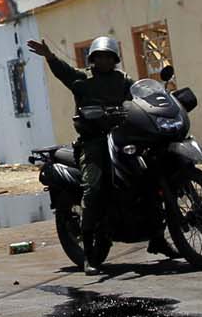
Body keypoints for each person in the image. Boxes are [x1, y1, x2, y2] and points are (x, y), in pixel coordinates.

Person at [27, 35, 133, 269]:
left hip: (122, 138)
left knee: (146, 173)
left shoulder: (123, 80)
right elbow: (63, 72)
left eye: (108, 57)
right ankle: (89, 254)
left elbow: (140, 97)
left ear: (115, 59)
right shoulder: (82, 79)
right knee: (93, 187)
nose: (104, 61)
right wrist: (50, 56)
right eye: (99, 57)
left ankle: (159, 237)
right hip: (93, 142)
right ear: (92, 59)